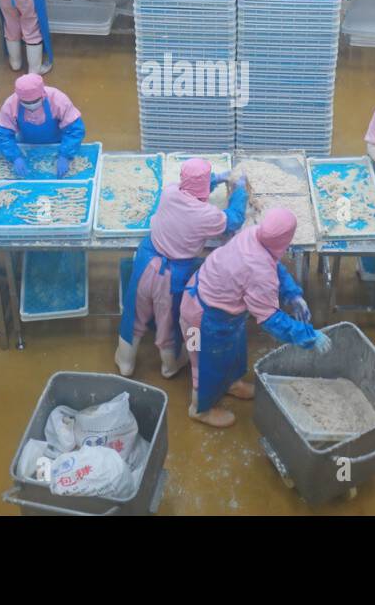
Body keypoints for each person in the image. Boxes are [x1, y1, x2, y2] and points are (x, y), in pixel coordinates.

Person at [178, 208, 330, 428]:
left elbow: (273, 263)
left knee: (232, 351)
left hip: (220, 308)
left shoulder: (254, 234)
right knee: (205, 362)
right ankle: (199, 409)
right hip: (202, 317)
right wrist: (307, 335)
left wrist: (292, 293)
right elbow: (270, 320)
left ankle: (231, 383)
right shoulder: (258, 271)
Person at [117, 158, 248, 379]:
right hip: (172, 276)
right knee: (168, 323)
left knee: (134, 314)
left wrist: (216, 179)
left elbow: (188, 188)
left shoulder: (169, 193)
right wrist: (240, 192)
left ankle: (125, 361)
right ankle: (170, 366)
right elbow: (233, 220)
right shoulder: (207, 215)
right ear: (204, 189)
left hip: (145, 260)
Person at [0, 73, 84, 179]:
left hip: (58, 143)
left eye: (35, 101)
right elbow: (3, 135)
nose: (31, 105)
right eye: (26, 102)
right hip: (26, 145)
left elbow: (75, 130)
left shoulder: (58, 100)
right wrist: (15, 157)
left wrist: (65, 155)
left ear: (42, 94)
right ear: (19, 97)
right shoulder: (10, 105)